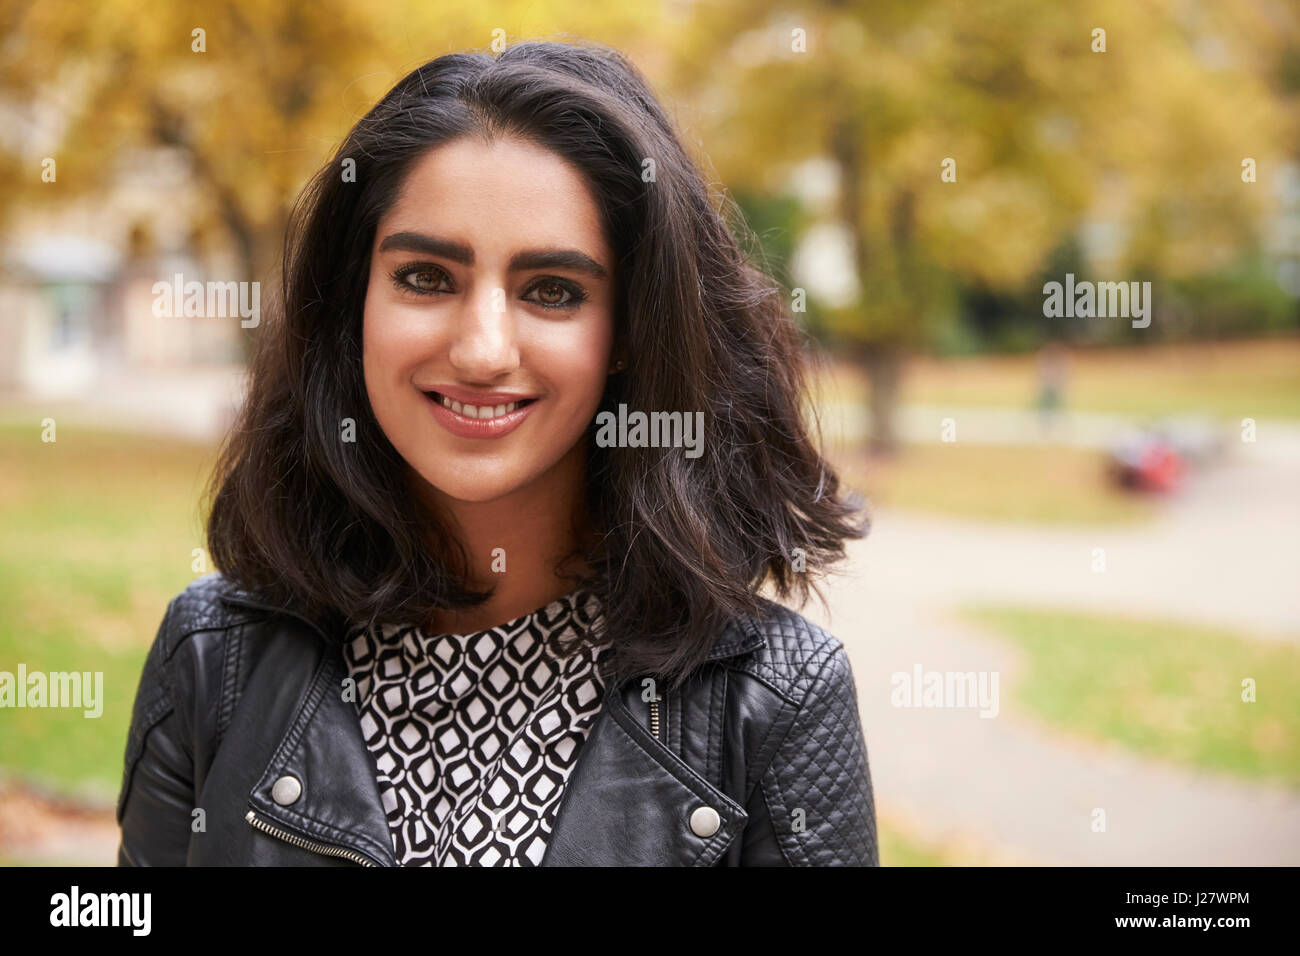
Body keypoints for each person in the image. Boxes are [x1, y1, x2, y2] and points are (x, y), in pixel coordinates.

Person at [116, 39, 877, 867]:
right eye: (426, 277)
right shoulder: (213, 656)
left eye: (552, 291)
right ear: (352, 303)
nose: (482, 350)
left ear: (629, 331)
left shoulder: (775, 698)